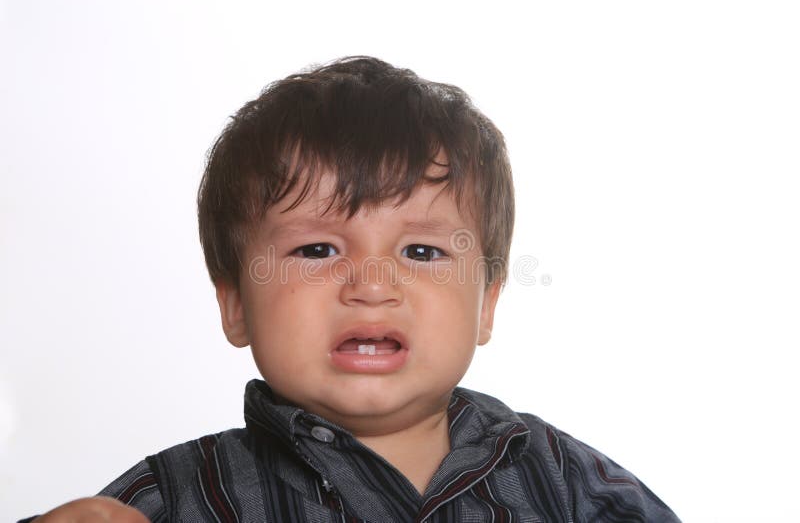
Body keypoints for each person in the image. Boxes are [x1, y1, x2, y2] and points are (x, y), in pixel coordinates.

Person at [24, 57, 679, 522]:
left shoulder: (562, 480)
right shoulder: (177, 497)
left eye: (421, 251)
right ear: (234, 304)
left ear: (486, 302)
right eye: (317, 250)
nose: (371, 284)